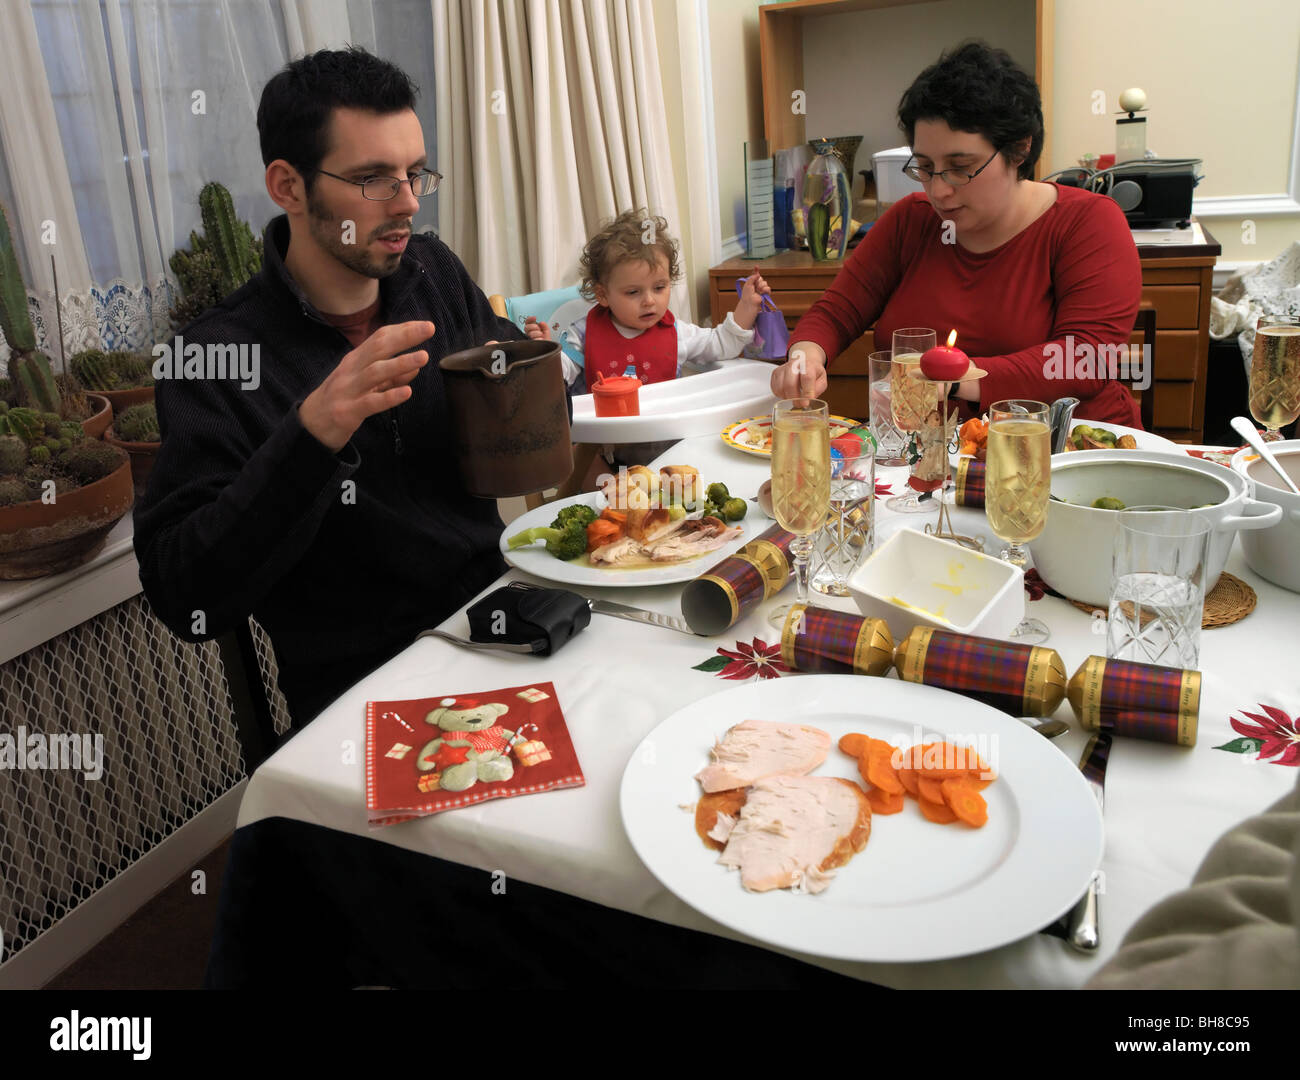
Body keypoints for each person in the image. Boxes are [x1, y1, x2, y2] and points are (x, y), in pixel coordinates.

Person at [133, 47, 523, 727]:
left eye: (413, 173)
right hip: (362, 701)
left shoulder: (433, 273)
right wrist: (311, 436)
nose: (405, 203)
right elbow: (183, 595)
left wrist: (527, 374)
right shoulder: (213, 360)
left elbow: (509, 422)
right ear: (288, 187)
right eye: (373, 179)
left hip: (504, 629)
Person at [772, 41, 1143, 427]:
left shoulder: (1088, 223)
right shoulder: (910, 221)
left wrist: (958, 379)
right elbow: (837, 312)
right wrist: (807, 354)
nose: (938, 190)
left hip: (1065, 451)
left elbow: (1083, 359)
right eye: (926, 166)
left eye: (960, 166)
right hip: (931, 457)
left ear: (1019, 150)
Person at [528, 209, 771, 391]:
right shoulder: (582, 334)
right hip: (602, 444)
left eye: (659, 287)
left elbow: (722, 343)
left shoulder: (678, 333)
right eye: (633, 292)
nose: (649, 301)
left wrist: (748, 306)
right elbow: (558, 379)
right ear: (602, 295)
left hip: (663, 437)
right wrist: (545, 353)